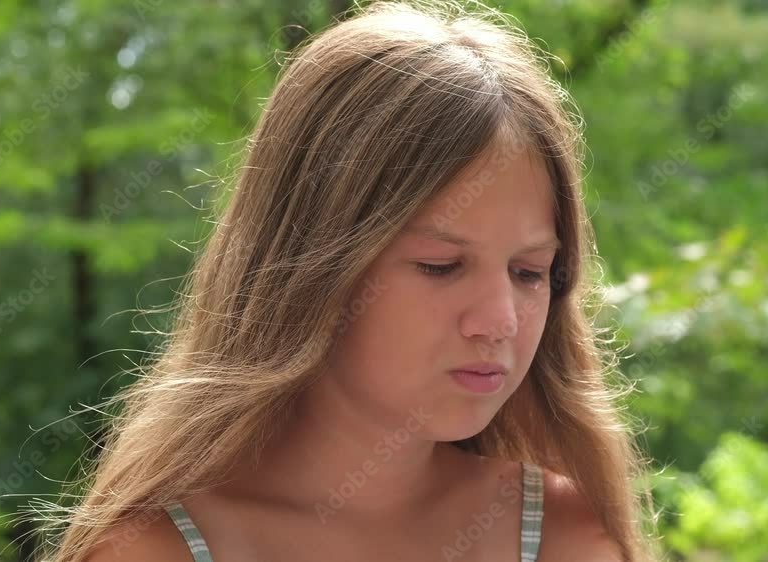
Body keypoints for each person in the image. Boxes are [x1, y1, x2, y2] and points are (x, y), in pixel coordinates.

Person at [34, 1, 655, 560]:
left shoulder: (563, 534)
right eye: (440, 266)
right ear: (311, 264)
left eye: (529, 272)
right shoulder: (156, 551)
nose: (501, 320)